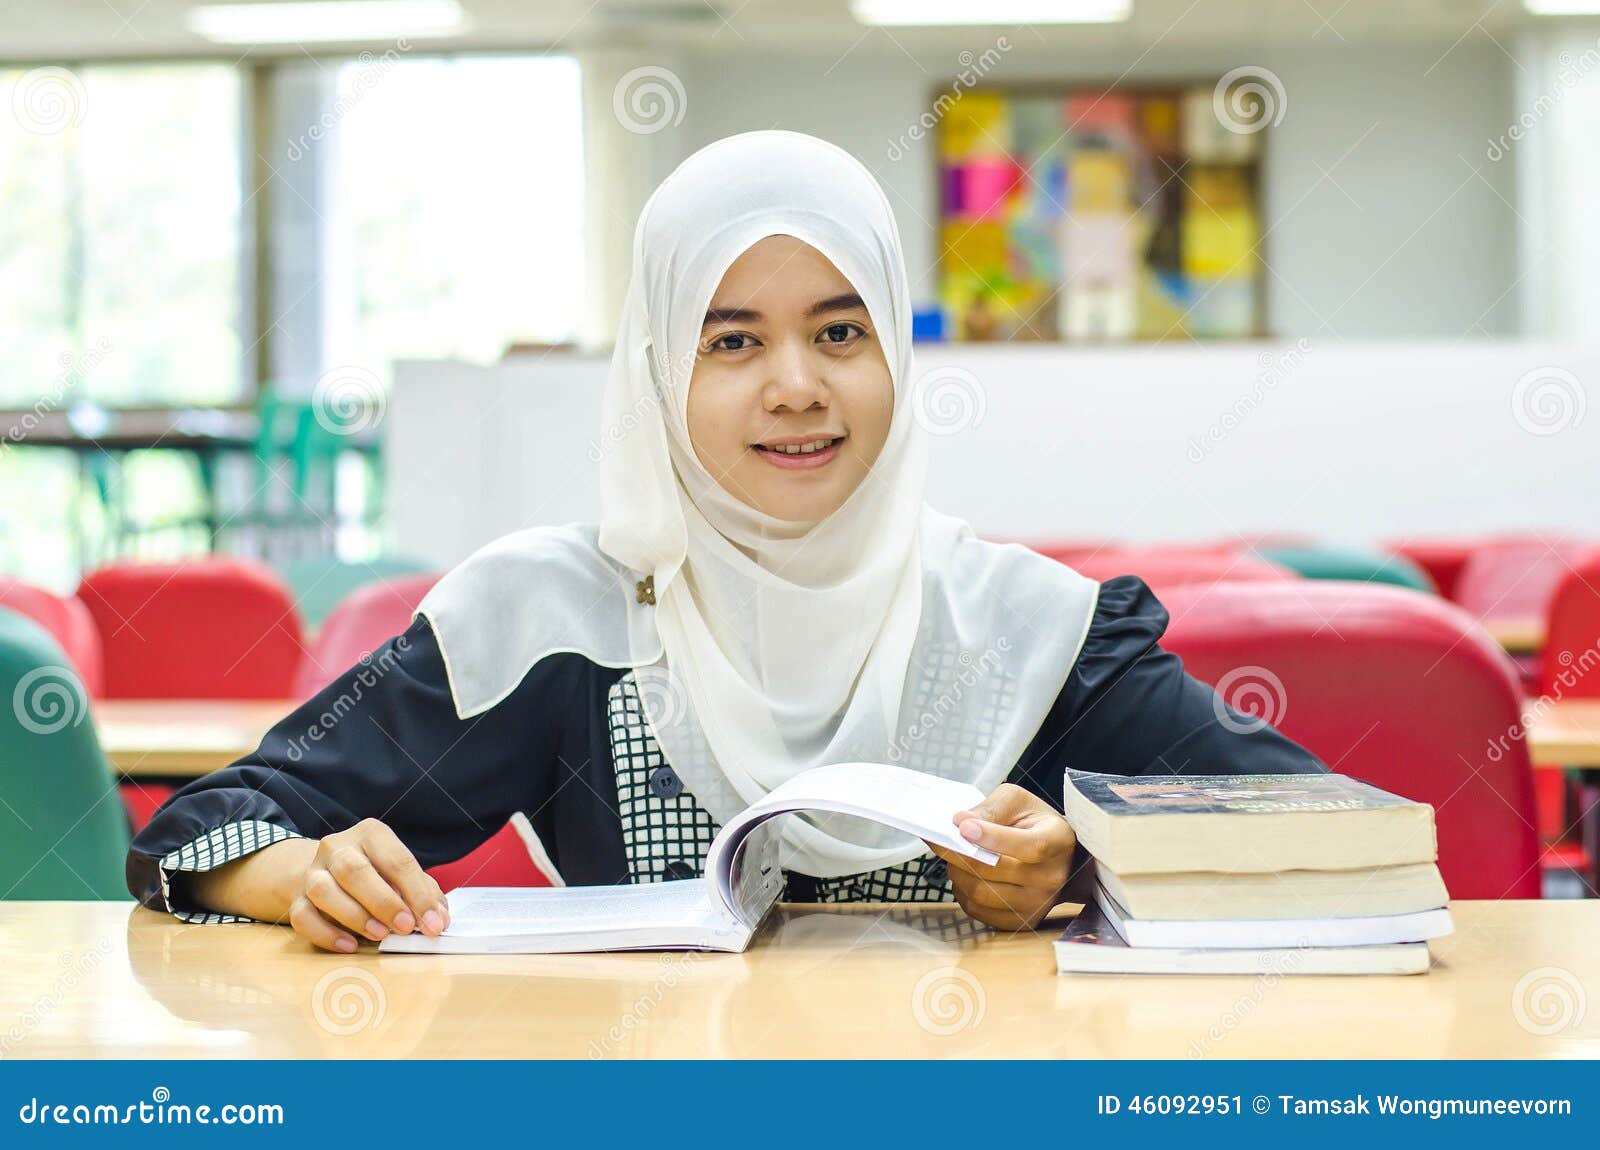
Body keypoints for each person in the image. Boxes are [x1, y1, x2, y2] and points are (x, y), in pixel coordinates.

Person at [127, 131, 1323, 952]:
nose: (796, 387)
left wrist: (1078, 868)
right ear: (657, 374)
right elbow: (204, 825)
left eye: (840, 332)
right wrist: (306, 880)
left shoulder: (1022, 627)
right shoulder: (558, 618)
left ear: (897, 361)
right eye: (733, 341)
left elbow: (1318, 837)